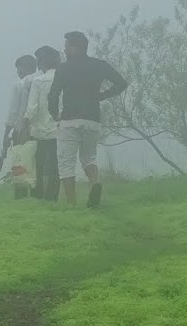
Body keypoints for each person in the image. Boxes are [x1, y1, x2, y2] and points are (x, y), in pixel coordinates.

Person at [47, 31, 127, 207]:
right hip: (92, 120)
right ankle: (94, 182)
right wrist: (102, 96)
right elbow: (122, 83)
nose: (64, 50)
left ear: (75, 47)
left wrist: (54, 114)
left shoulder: (64, 68)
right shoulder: (100, 65)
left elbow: (53, 95)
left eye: (67, 46)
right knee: (89, 158)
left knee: (66, 165)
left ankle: (72, 204)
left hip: (69, 120)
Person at [21, 45, 61, 201]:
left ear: (42, 62)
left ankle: (37, 196)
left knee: (38, 165)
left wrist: (25, 127)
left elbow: (32, 108)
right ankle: (52, 198)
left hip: (39, 131)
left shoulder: (38, 81)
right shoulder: (64, 78)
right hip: (59, 129)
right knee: (54, 166)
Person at [0, 54, 37, 199]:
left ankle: (21, 196)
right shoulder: (41, 82)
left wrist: (7, 133)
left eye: (19, 69)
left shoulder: (19, 85)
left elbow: (13, 112)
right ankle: (37, 195)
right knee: (36, 164)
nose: (17, 72)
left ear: (25, 68)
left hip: (21, 131)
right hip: (40, 131)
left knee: (20, 163)